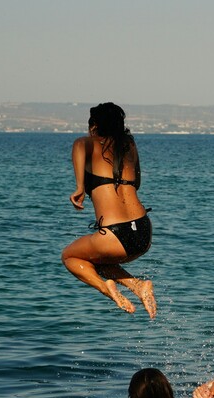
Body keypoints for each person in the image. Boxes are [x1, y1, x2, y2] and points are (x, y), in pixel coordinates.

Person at [63, 102, 157, 318]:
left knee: (70, 257)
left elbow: (79, 147)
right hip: (143, 232)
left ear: (94, 125)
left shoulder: (86, 143)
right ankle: (138, 286)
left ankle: (108, 288)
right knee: (99, 260)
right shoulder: (130, 146)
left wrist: (79, 187)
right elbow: (138, 183)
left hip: (114, 234)